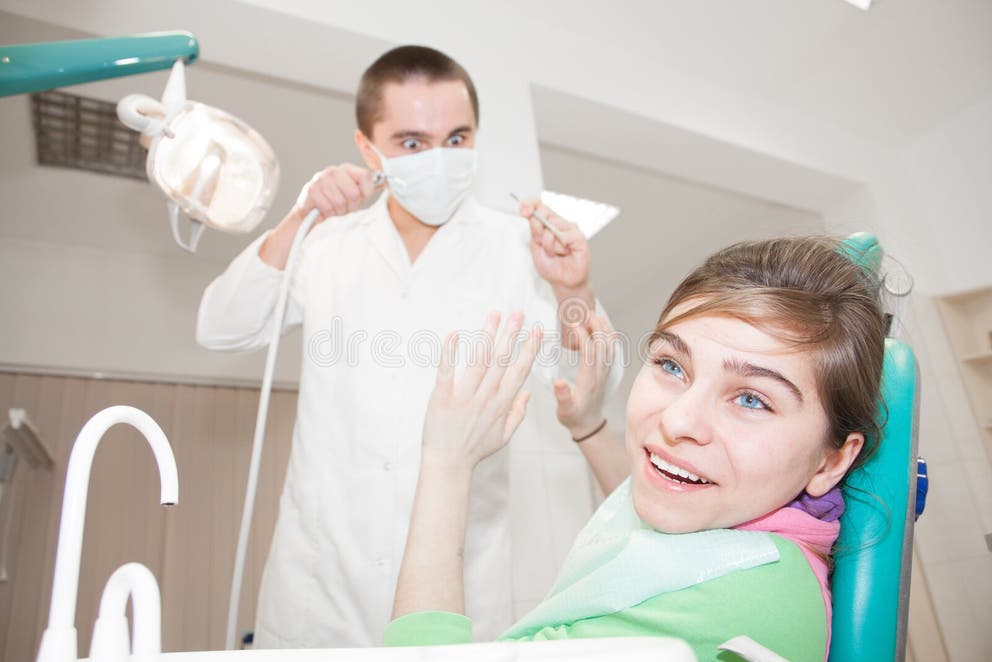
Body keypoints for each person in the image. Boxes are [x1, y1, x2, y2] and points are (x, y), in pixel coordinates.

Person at [196, 45, 621, 648]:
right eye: (413, 143)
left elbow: (593, 383)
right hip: (321, 588)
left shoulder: (516, 246)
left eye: (457, 138)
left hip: (462, 583)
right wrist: (299, 216)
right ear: (368, 149)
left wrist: (573, 288)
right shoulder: (326, 242)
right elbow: (220, 326)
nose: (440, 160)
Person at [385, 236, 887, 662]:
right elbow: (661, 533)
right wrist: (588, 427)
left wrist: (445, 463)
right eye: (672, 365)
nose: (677, 420)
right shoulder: (759, 525)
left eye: (752, 399)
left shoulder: (735, 607)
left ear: (831, 460)